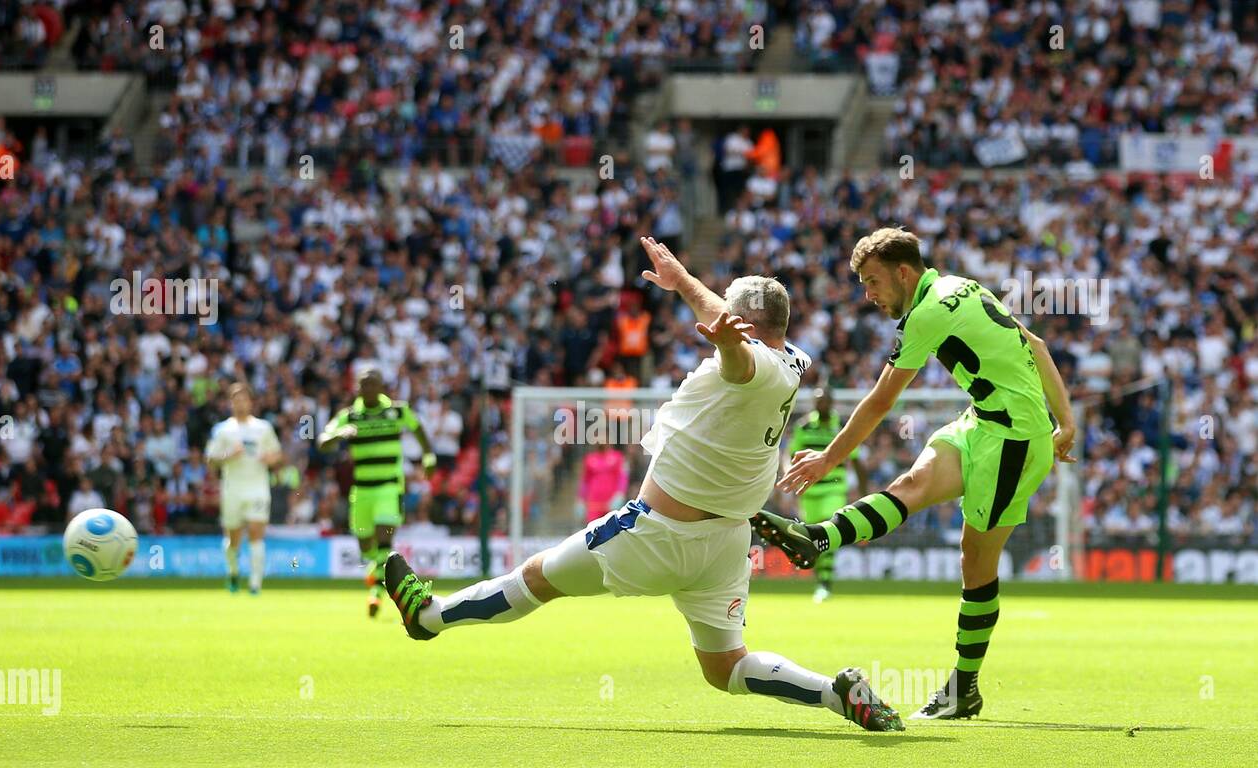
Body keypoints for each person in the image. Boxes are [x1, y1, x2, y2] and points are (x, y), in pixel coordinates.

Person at [382, 236, 904, 733]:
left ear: (741, 322)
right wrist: (703, 303)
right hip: (723, 546)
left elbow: (742, 359)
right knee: (725, 667)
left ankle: (429, 618)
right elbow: (745, 344)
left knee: (536, 578)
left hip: (655, 535)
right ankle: (835, 693)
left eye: (727, 310)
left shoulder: (754, 363)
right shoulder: (793, 361)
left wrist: (687, 290)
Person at [753, 227, 1076, 720]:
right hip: (984, 421)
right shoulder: (963, 286)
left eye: (874, 282)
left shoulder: (926, 313)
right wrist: (1068, 421)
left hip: (1013, 439)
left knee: (976, 561)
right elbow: (1036, 345)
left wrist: (828, 458)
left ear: (903, 273)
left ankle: (963, 688)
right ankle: (815, 539)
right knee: (910, 486)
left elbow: (882, 399)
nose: (870, 296)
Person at [318, 368, 435, 618]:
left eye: (372, 383)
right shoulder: (350, 416)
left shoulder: (397, 410)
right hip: (362, 490)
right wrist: (339, 435)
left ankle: (376, 595)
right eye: (363, 384)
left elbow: (418, 429)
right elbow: (322, 441)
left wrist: (428, 455)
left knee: (384, 538)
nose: (368, 388)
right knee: (366, 546)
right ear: (358, 388)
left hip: (389, 486)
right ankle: (374, 567)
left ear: (382, 386)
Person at [786, 386, 868, 601]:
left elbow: (857, 461)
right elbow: (791, 454)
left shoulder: (841, 427)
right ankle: (822, 580)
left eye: (824, 401)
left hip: (834, 488)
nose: (820, 404)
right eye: (817, 401)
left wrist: (863, 493)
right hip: (810, 490)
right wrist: (789, 474)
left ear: (831, 403)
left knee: (829, 529)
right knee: (815, 540)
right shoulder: (803, 426)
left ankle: (825, 584)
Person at [206, 383, 282, 594]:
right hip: (232, 489)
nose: (240, 403)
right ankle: (233, 573)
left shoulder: (263, 427)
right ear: (231, 403)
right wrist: (229, 455)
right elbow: (211, 460)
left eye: (244, 399)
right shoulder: (222, 430)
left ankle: (255, 584)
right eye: (236, 399)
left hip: (257, 488)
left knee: (257, 534)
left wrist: (270, 458)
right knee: (233, 538)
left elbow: (277, 455)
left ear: (250, 402)